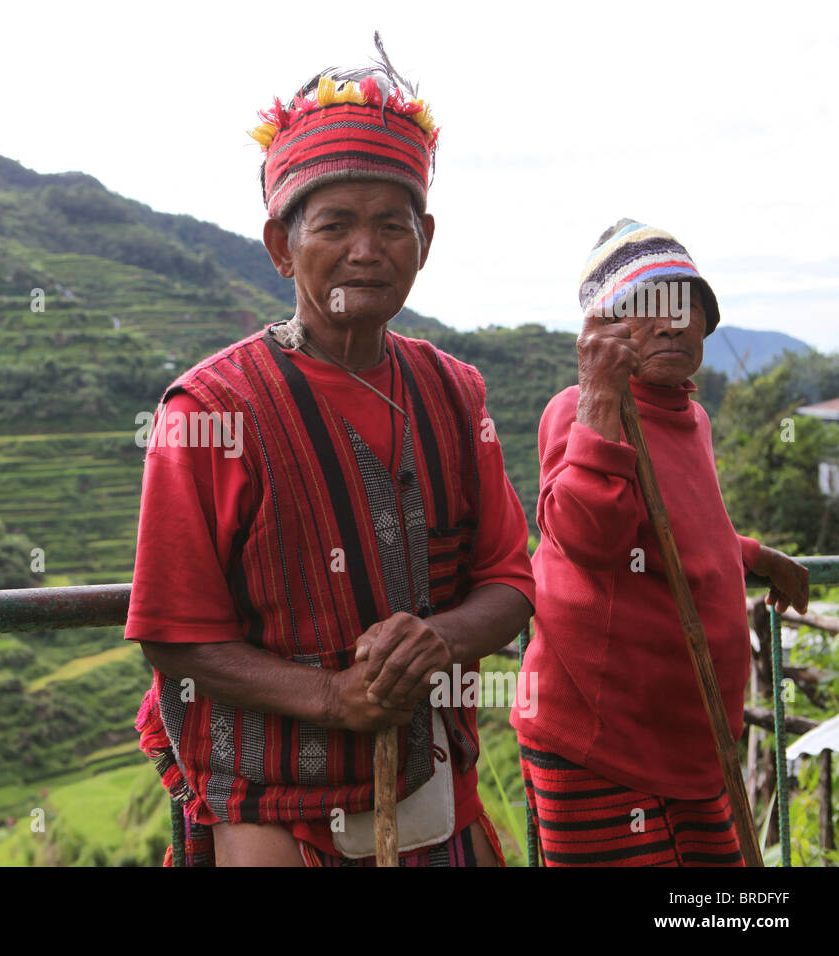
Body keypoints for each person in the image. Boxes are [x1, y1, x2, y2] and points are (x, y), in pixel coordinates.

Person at [125, 36, 535, 867]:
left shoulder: (456, 394)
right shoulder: (207, 411)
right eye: (335, 224)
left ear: (425, 237)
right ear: (281, 246)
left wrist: (438, 640)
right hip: (274, 813)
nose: (366, 249)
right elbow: (175, 634)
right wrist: (331, 696)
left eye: (392, 225)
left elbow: (510, 583)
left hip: (435, 798)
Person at [511, 219, 811, 866]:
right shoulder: (578, 410)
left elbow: (684, 528)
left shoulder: (692, 416)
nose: (672, 324)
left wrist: (757, 558)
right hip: (603, 738)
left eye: (687, 305)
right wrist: (599, 399)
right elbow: (591, 539)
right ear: (604, 333)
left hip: (692, 736)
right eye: (646, 309)